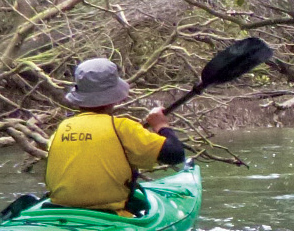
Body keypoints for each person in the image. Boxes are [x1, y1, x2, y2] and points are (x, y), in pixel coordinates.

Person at [45, 57, 188, 214]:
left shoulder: (60, 129)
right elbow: (175, 154)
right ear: (115, 97)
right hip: (109, 215)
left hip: (59, 212)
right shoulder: (123, 128)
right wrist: (161, 126)